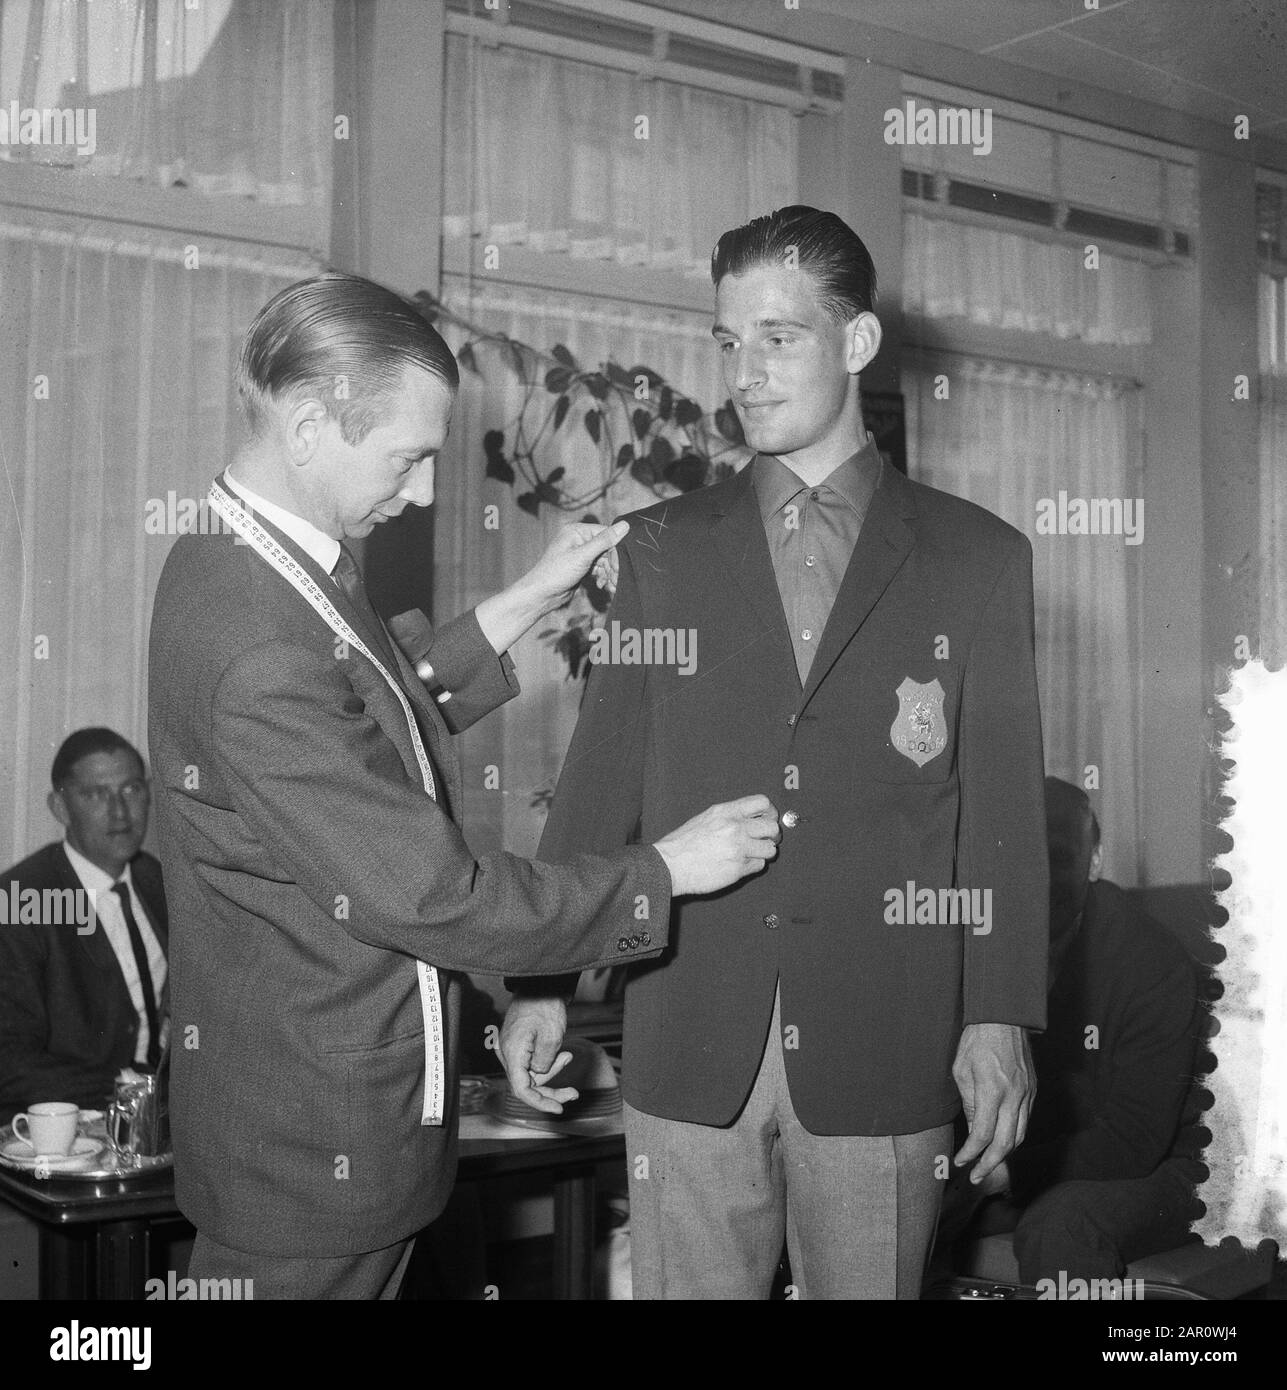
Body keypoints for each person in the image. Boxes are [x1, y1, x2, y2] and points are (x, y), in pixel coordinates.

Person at [147, 271, 778, 1299]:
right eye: (408, 458)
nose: (428, 492)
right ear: (310, 424)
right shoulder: (256, 636)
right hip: (314, 1150)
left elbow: (358, 726)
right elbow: (430, 892)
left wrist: (524, 599)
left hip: (300, 1121)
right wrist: (665, 870)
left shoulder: (246, 559)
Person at [501, 206, 1049, 1300]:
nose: (743, 374)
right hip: (689, 1037)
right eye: (726, 341)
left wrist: (999, 1013)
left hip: (885, 1049)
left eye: (778, 337)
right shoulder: (662, 548)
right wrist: (543, 977)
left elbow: (999, 818)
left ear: (857, 343)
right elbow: (603, 771)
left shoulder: (978, 558)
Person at [941, 777, 1204, 1285]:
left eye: (1056, 856)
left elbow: (1133, 1142)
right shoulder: (976, 946)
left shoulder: (1150, 962)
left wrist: (987, 1179)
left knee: (1062, 1223)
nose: (1037, 877)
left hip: (1168, 1167)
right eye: (1018, 859)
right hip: (1034, 1164)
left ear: (1096, 860)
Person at [0, 728, 168, 1125]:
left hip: (165, 1127)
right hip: (62, 1132)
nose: (119, 812)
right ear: (60, 807)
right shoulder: (24, 897)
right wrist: (133, 1092)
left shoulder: (158, 881)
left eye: (131, 789)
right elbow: (8, 1061)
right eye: (95, 794)